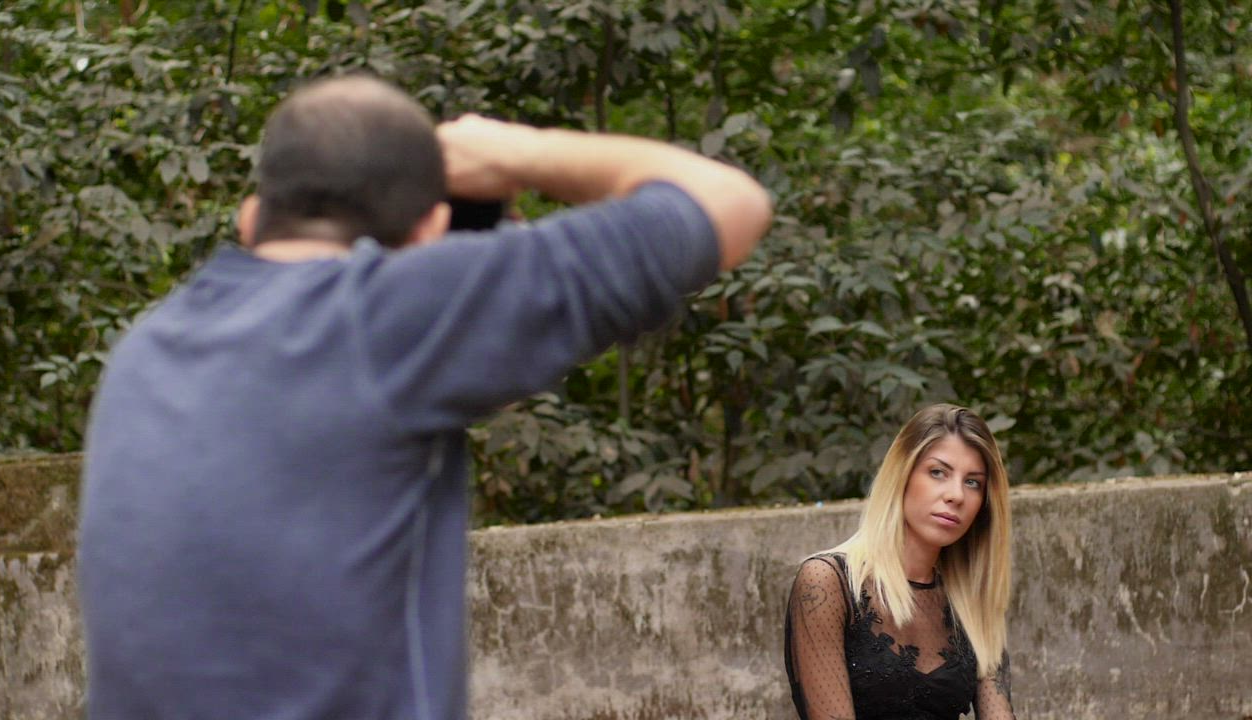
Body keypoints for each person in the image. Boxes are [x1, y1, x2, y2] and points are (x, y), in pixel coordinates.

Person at [78, 74, 770, 720]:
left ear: (250, 218)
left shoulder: (146, 347)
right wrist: (514, 151)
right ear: (429, 234)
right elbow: (731, 205)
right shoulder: (385, 317)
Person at [784, 404, 1016, 720]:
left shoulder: (972, 601)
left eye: (972, 482)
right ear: (902, 474)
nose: (956, 495)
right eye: (938, 472)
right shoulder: (828, 582)